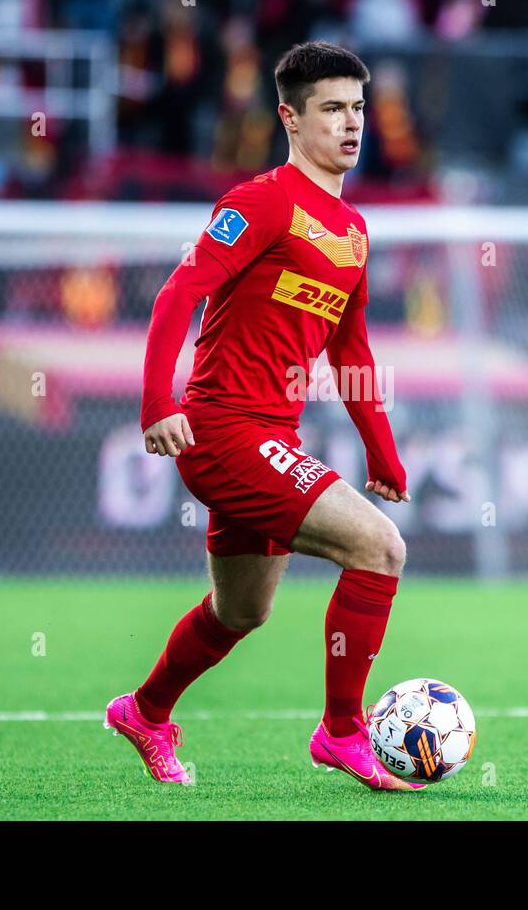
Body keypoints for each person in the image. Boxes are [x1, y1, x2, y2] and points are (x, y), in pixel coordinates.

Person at [106, 41, 418, 791]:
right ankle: (342, 732)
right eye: (332, 109)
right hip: (221, 430)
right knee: (380, 548)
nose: (351, 124)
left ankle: (144, 712)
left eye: (358, 108)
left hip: (271, 434)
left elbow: (352, 352)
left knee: (240, 611)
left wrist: (383, 450)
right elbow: (175, 296)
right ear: (290, 117)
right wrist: (159, 405)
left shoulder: (352, 231)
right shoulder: (260, 202)